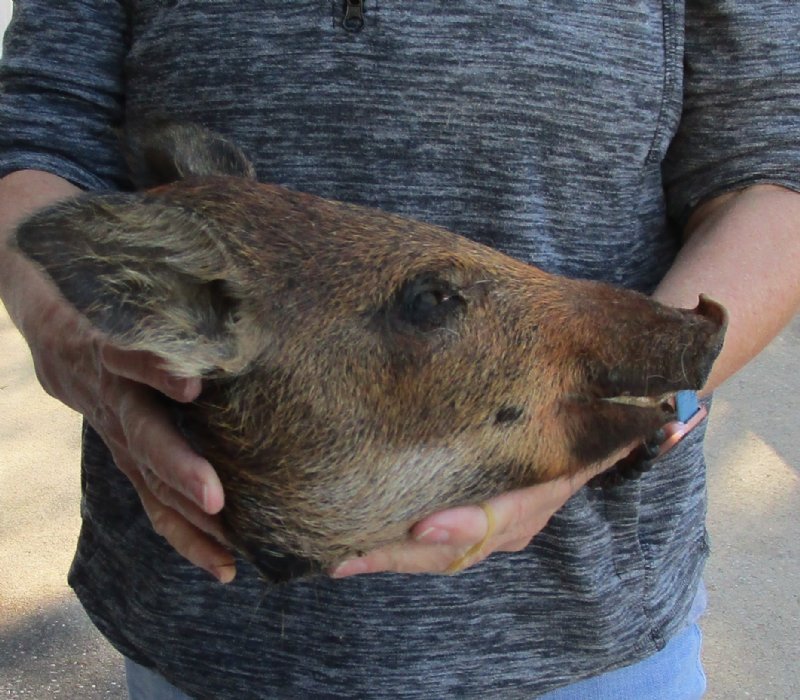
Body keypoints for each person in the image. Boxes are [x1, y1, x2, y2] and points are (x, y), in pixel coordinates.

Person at [0, 3, 798, 698]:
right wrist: (70, 336)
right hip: (203, 636)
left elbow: (774, 170)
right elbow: (37, 126)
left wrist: (614, 428)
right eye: (432, 302)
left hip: (584, 637)